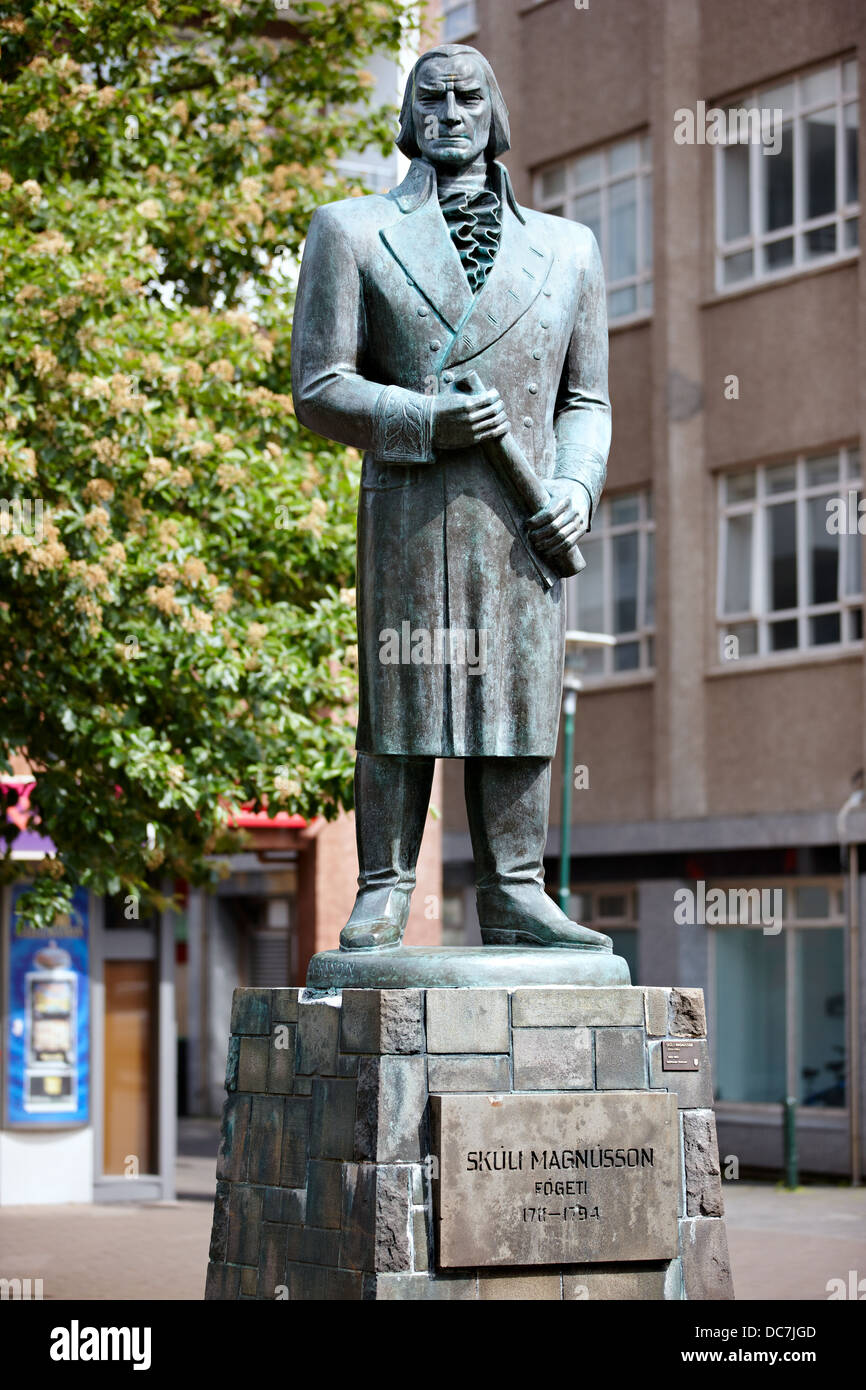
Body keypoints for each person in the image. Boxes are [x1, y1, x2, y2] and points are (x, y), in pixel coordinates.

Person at [292, 45, 612, 952]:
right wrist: (429, 421)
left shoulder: (568, 248)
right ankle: (385, 884)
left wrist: (577, 489)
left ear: (497, 110)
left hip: (522, 521)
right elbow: (320, 386)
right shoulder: (349, 231)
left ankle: (515, 888)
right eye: (430, 96)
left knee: (517, 696)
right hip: (412, 514)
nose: (450, 111)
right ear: (407, 114)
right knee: (402, 696)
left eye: (469, 96)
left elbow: (585, 400)